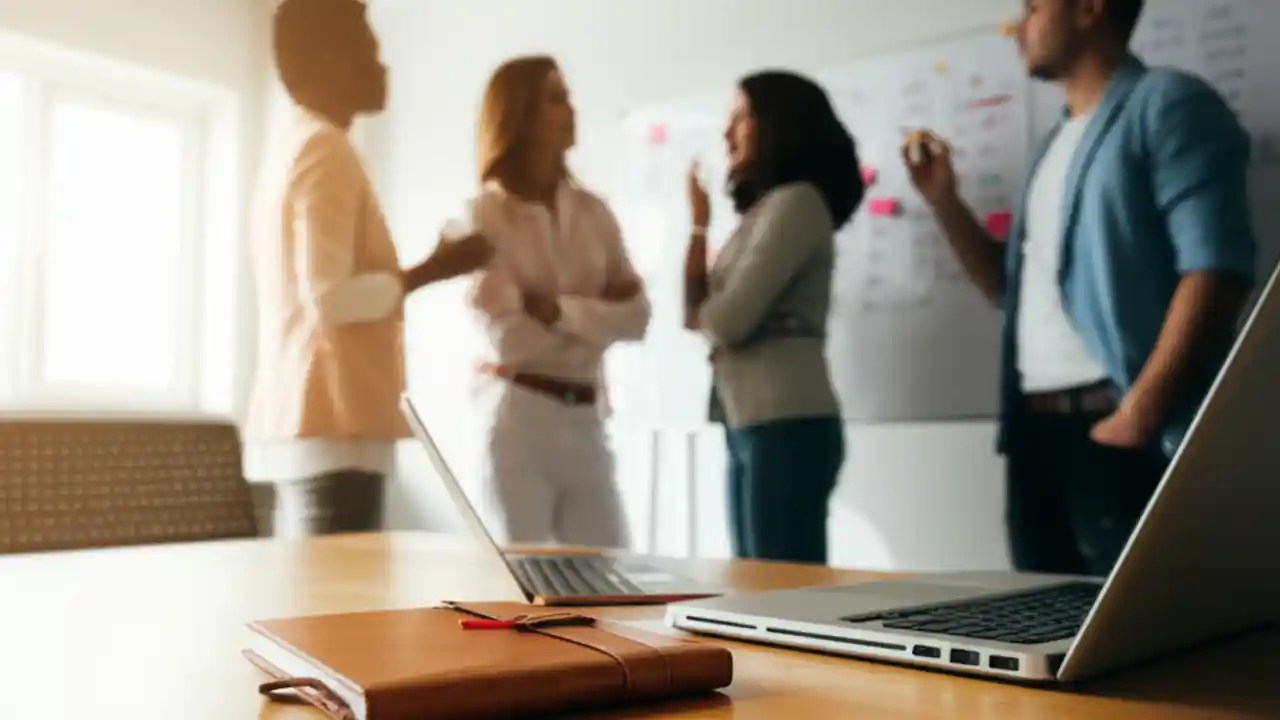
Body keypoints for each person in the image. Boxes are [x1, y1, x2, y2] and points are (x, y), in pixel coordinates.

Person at [902, 0, 1255, 576]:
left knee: (1136, 626)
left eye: (1033, 7)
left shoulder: (1167, 103)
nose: (1017, 26)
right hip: (1035, 435)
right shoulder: (1051, 144)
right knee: (1041, 623)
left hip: (1122, 427)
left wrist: (1140, 412)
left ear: (1089, 8)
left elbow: (1216, 269)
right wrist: (944, 201)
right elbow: (1005, 289)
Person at [245, 0, 491, 536]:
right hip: (335, 421)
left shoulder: (293, 144)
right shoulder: (324, 149)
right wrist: (434, 268)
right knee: (334, 587)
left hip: (314, 420)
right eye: (370, 50)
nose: (383, 67)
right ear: (330, 59)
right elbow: (330, 298)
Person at [461, 56, 650, 549]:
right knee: (521, 578)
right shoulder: (482, 217)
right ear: (520, 114)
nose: (572, 110)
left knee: (607, 575)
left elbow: (638, 319)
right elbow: (511, 340)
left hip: (587, 419)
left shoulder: (594, 213)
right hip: (518, 420)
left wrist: (555, 310)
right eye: (556, 98)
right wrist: (598, 315)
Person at [684, 71, 864, 564]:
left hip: (787, 423)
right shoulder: (761, 213)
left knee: (782, 592)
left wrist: (720, 319)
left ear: (778, 124)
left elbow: (728, 321)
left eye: (741, 117)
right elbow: (696, 316)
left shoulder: (798, 202)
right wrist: (698, 224)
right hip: (749, 420)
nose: (727, 132)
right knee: (755, 587)